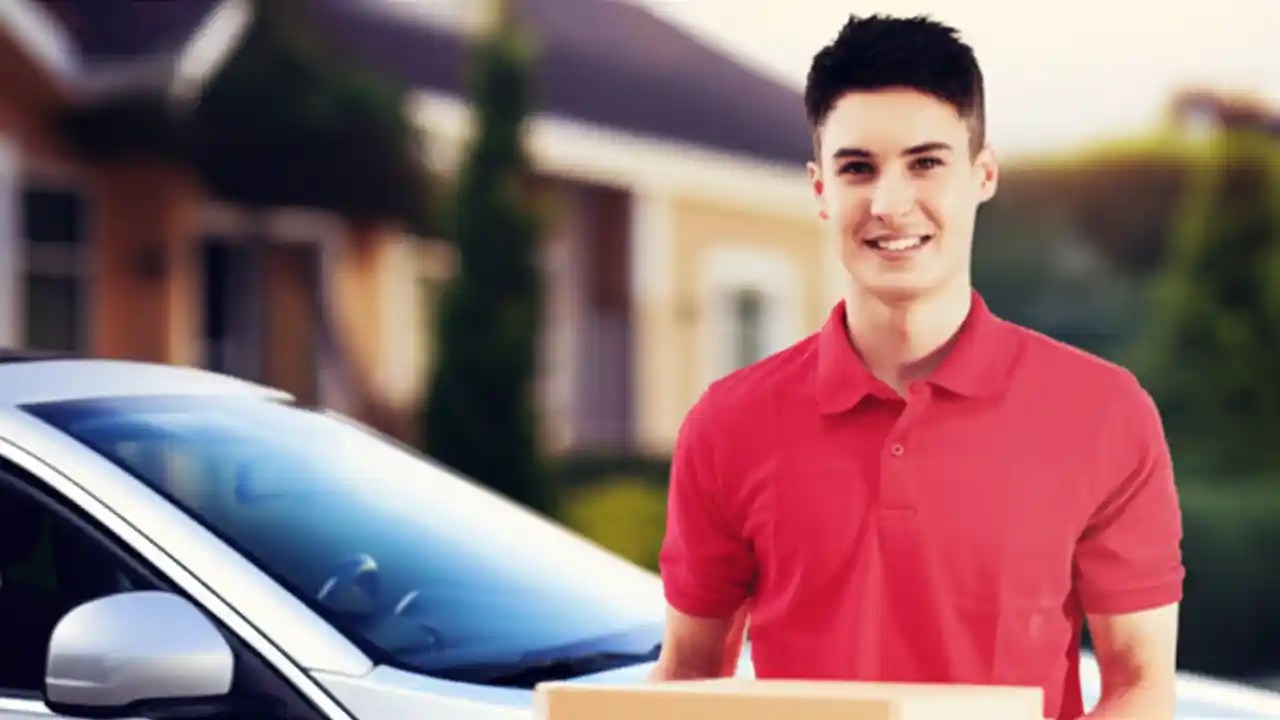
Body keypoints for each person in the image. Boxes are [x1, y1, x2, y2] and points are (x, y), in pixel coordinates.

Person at [650, 13, 1184, 720]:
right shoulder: (726, 424)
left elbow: (1139, 684)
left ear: (982, 175)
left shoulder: (1106, 413)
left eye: (926, 163)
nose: (890, 204)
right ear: (819, 190)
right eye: (857, 168)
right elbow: (690, 675)